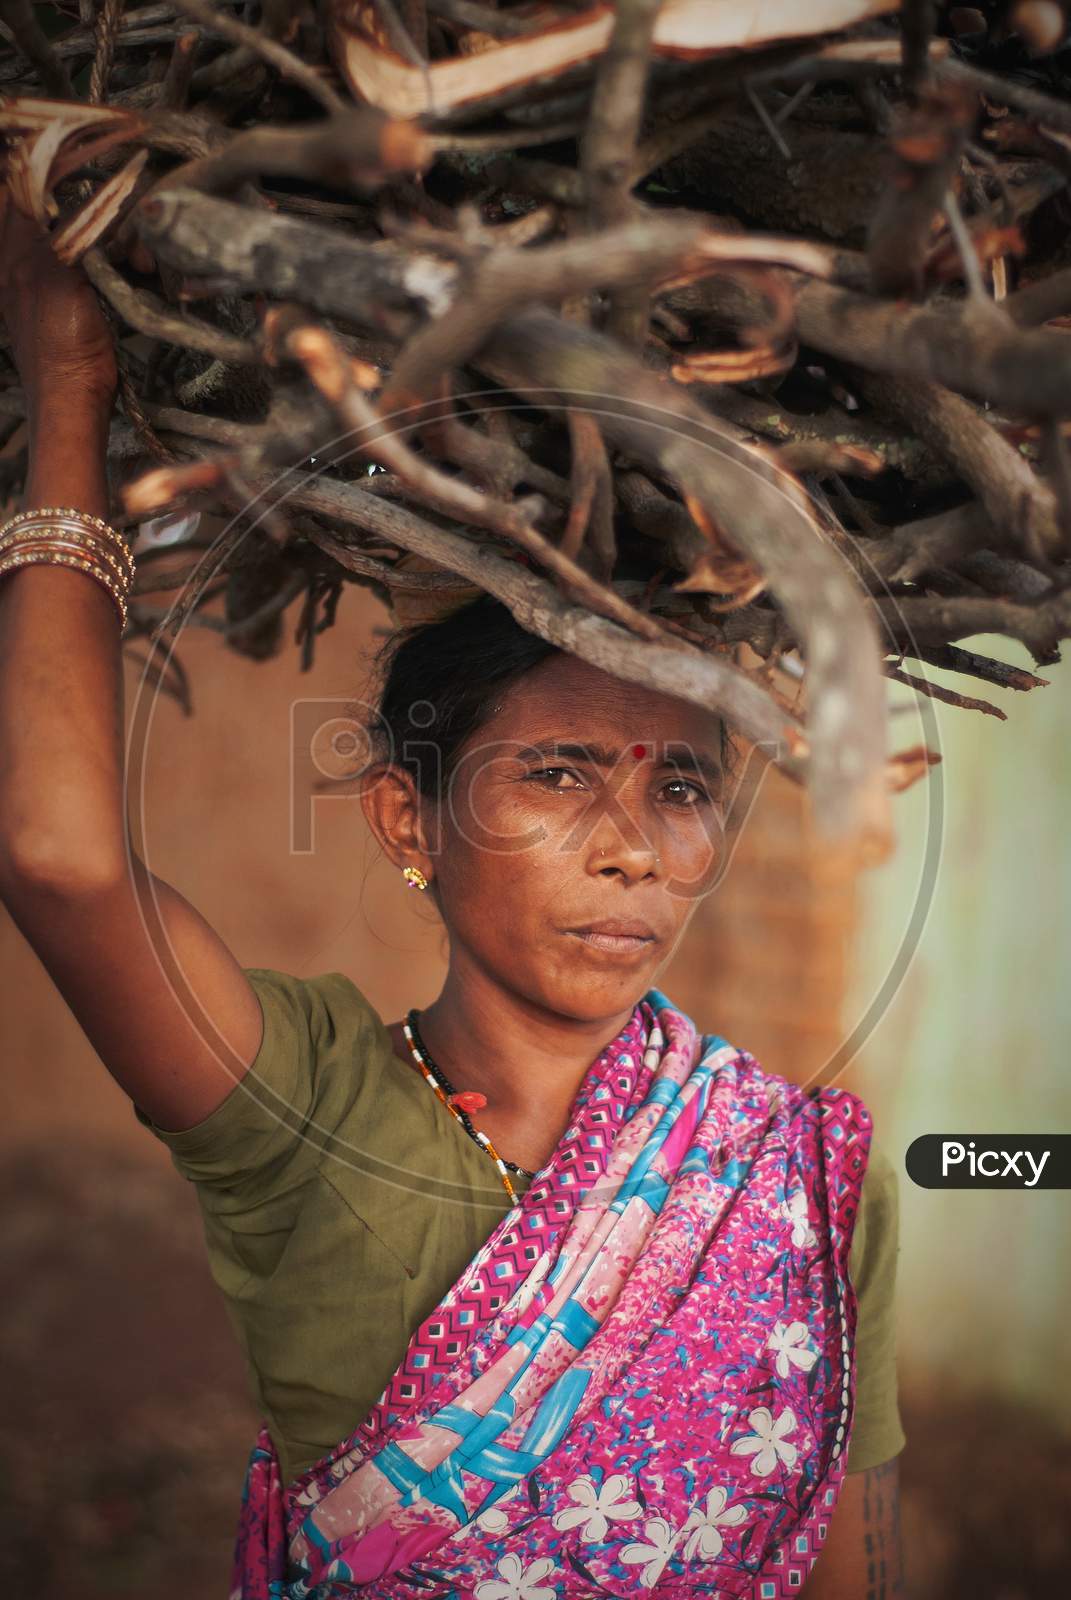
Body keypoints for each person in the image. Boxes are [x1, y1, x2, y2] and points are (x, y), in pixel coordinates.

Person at [0, 187, 906, 1598]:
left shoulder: (798, 1177)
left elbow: (841, 1566)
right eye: (554, 774)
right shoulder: (307, 1112)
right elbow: (59, 859)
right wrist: (72, 394)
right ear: (404, 816)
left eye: (679, 790)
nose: (633, 850)